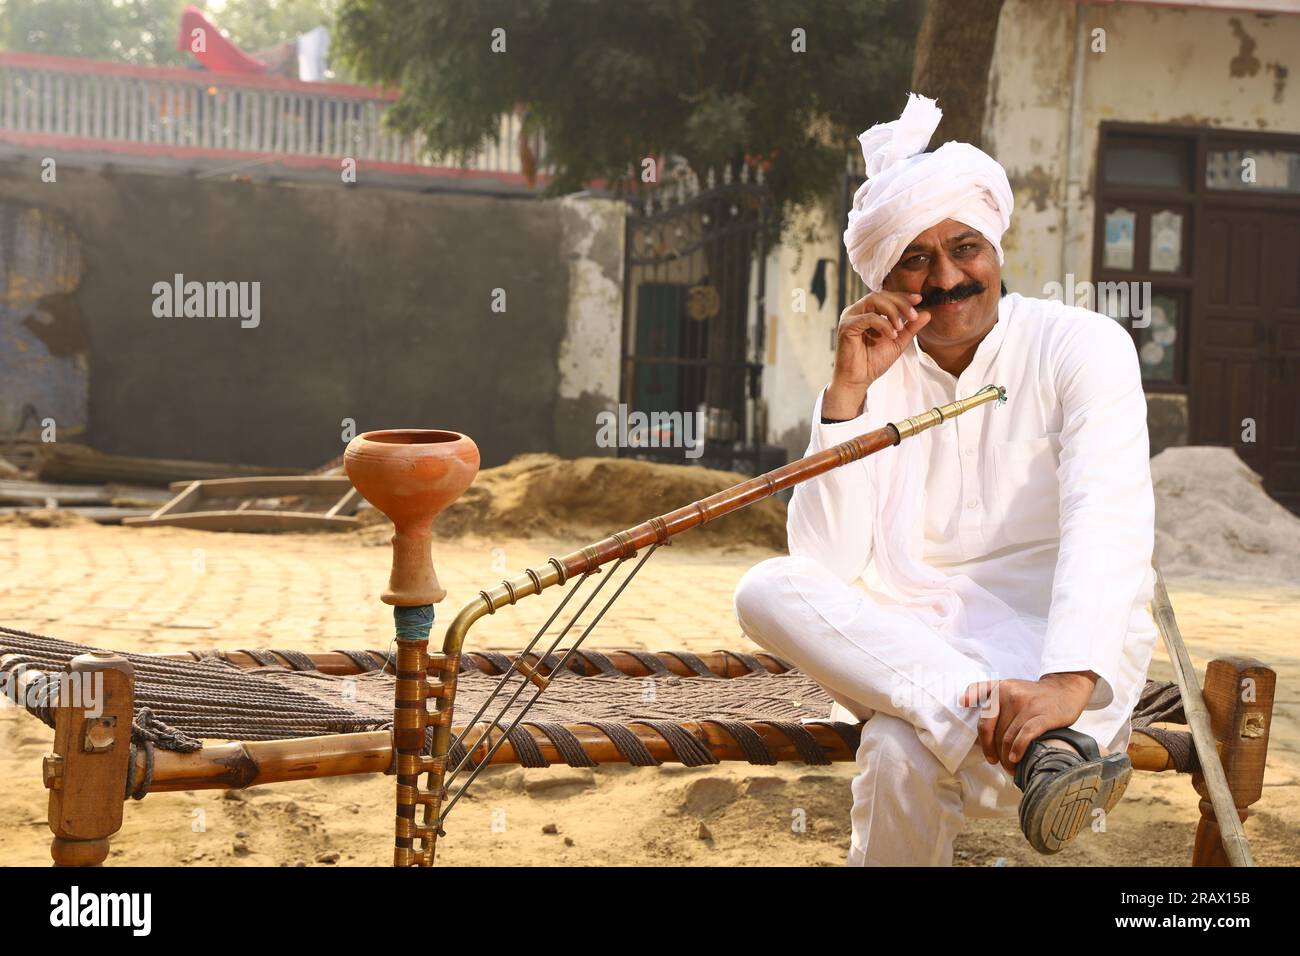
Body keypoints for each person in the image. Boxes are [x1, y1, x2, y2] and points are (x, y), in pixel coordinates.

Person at [732, 93, 1158, 865]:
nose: (949, 276)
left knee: (897, 746)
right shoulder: (876, 367)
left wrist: (1064, 686)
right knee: (763, 588)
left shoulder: (1081, 345)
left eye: (966, 248)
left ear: (996, 248)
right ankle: (1020, 744)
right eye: (916, 259)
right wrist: (847, 398)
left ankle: (1025, 733)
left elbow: (1109, 518)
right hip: (923, 658)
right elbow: (823, 564)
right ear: (887, 277)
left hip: (1056, 665)